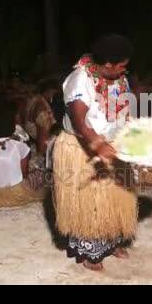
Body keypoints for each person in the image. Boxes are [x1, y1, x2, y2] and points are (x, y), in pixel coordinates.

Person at [52, 34, 137, 271]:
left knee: (117, 197)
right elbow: (80, 122)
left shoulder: (119, 79)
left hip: (113, 143)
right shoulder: (79, 79)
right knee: (91, 203)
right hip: (83, 147)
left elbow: (125, 107)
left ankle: (114, 240)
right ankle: (92, 251)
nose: (124, 70)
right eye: (121, 66)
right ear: (107, 64)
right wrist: (98, 145)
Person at [0, 102, 42, 207]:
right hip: (13, 193)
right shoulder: (18, 146)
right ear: (12, 126)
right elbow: (23, 175)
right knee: (40, 173)